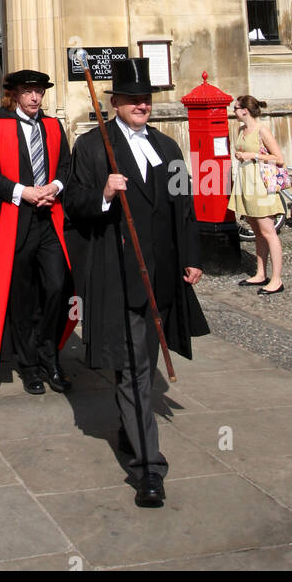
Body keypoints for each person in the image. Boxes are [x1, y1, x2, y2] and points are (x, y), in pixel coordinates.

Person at [67, 57, 208, 508]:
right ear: (116, 103)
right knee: (133, 369)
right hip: (119, 275)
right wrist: (104, 194)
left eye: (146, 99)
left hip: (162, 276)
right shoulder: (93, 147)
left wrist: (191, 258)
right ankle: (149, 469)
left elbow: (183, 205)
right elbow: (73, 202)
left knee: (142, 364)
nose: (141, 105)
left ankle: (130, 434)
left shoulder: (169, 148)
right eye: (132, 100)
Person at [0, 69, 73, 396]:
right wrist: (22, 191)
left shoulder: (53, 126)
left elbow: (65, 168)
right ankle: (29, 363)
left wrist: (54, 187)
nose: (35, 98)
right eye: (29, 91)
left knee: (57, 285)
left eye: (39, 92)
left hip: (49, 219)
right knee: (21, 294)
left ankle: (49, 351)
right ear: (16, 94)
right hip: (16, 220)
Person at [230, 95, 285, 295]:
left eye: (235, 108)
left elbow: (279, 158)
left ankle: (277, 279)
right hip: (246, 185)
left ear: (245, 110)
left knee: (268, 232)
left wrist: (252, 155)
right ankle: (261, 273)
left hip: (261, 186)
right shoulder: (240, 129)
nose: (233, 111)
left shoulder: (262, 130)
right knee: (257, 233)